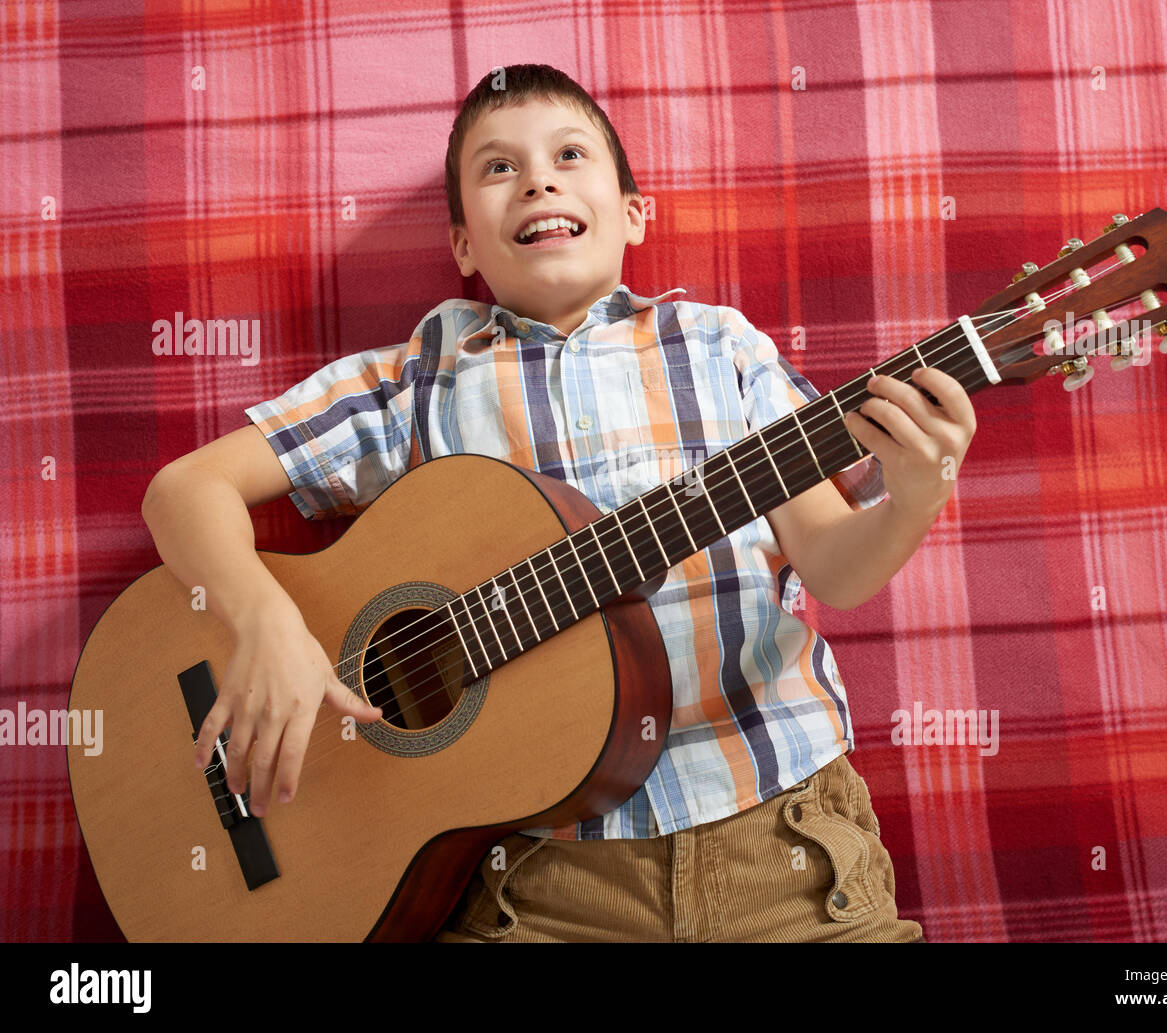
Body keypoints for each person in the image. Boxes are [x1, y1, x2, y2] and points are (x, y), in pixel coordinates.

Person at [143, 64, 975, 942]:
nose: (538, 178)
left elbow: (835, 566)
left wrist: (915, 495)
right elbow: (185, 490)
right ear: (465, 245)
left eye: (570, 155)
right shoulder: (421, 376)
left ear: (633, 213)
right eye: (498, 168)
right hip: (532, 883)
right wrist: (265, 621)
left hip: (781, 844)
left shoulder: (720, 349)